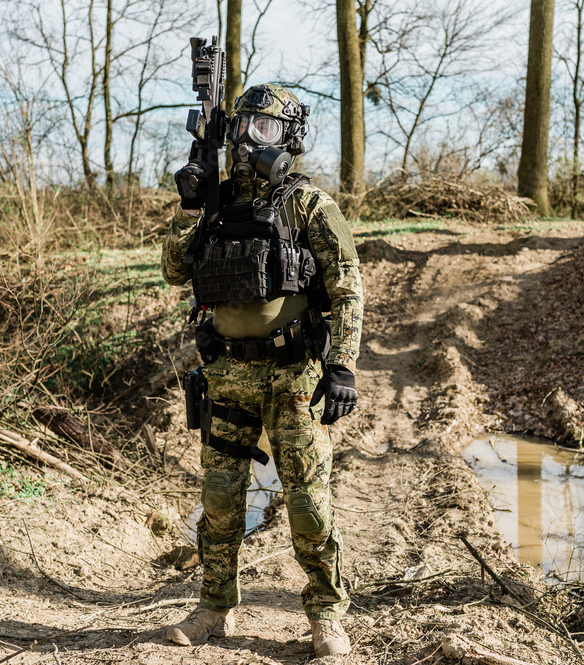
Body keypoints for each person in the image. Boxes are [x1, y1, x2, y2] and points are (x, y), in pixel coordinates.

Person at [160, 82, 363, 658]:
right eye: (243, 127)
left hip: (295, 376)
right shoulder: (216, 205)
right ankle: (212, 609)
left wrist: (343, 366)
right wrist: (190, 209)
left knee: (306, 502)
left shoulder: (309, 205)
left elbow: (348, 288)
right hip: (227, 375)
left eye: (266, 129)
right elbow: (176, 271)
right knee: (221, 500)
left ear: (290, 137)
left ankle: (327, 614)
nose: (251, 140)